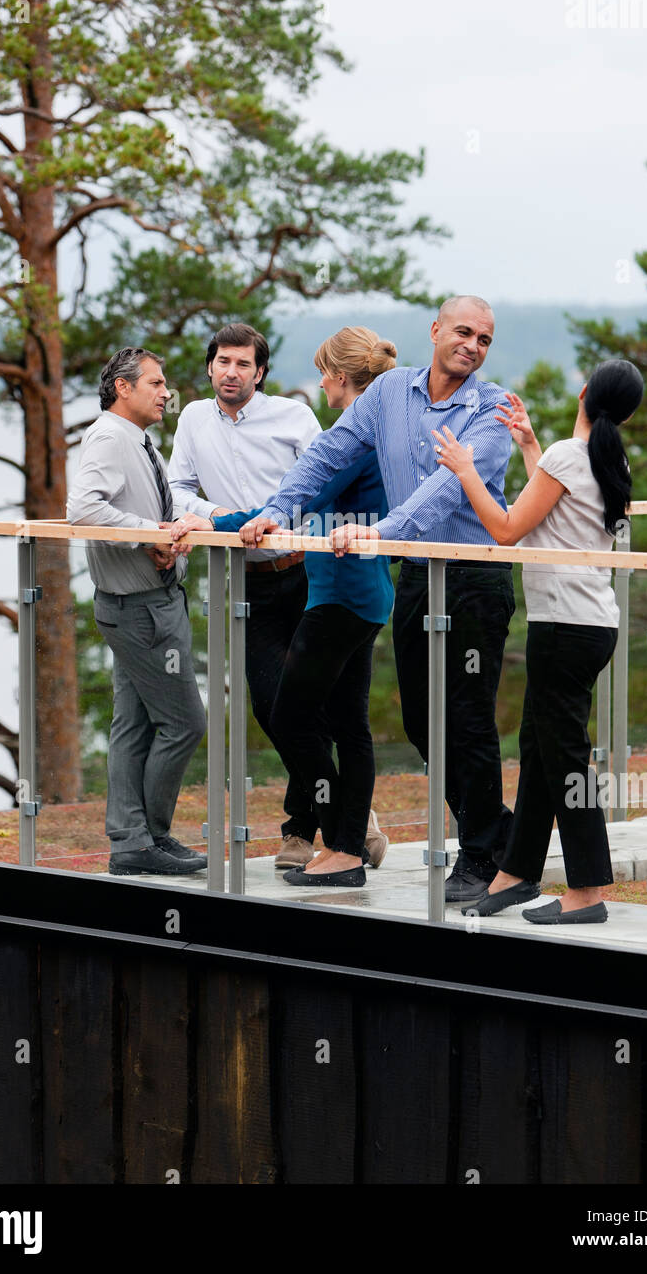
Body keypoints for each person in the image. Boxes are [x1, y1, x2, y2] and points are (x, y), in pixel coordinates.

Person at [238, 296, 516, 901]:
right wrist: (276, 510)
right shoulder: (390, 394)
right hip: (417, 577)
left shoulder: (492, 409)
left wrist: (380, 532)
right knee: (421, 723)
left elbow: (444, 493)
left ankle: (479, 855)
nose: (472, 345)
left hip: (472, 581)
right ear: (436, 330)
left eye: (485, 340)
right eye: (463, 332)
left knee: (466, 721)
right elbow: (327, 454)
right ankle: (496, 836)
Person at [173, 328, 396, 885]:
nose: (318, 382)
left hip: (337, 592)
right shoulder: (369, 428)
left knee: (294, 714)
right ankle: (346, 843)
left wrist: (217, 523)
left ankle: (339, 837)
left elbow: (297, 502)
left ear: (342, 378)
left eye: (324, 372)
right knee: (346, 723)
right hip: (349, 590)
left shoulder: (350, 435)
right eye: (221, 361)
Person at [430, 358, 645, 923]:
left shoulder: (569, 457)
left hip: (564, 628)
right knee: (541, 747)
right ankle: (515, 872)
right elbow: (557, 507)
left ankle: (588, 890)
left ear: (582, 392)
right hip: (590, 624)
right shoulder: (604, 458)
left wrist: (464, 469)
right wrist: (529, 445)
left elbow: (505, 531)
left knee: (565, 756)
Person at [167, 323, 328, 870]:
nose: (231, 372)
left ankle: (302, 831)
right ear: (210, 367)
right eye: (222, 362)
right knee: (269, 704)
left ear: (260, 373)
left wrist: (271, 520)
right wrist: (218, 519)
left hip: (307, 573)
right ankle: (347, 808)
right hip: (249, 581)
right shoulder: (191, 418)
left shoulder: (295, 418)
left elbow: (326, 485)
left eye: (242, 364)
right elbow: (178, 490)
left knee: (306, 702)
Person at [67, 347, 207, 877]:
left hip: (144, 603)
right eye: (156, 382)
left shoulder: (137, 439)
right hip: (141, 610)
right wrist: (151, 535)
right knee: (184, 722)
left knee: (133, 726)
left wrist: (167, 533)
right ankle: (146, 837)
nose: (166, 391)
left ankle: (134, 841)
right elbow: (83, 509)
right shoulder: (109, 436)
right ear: (123, 388)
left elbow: (136, 513)